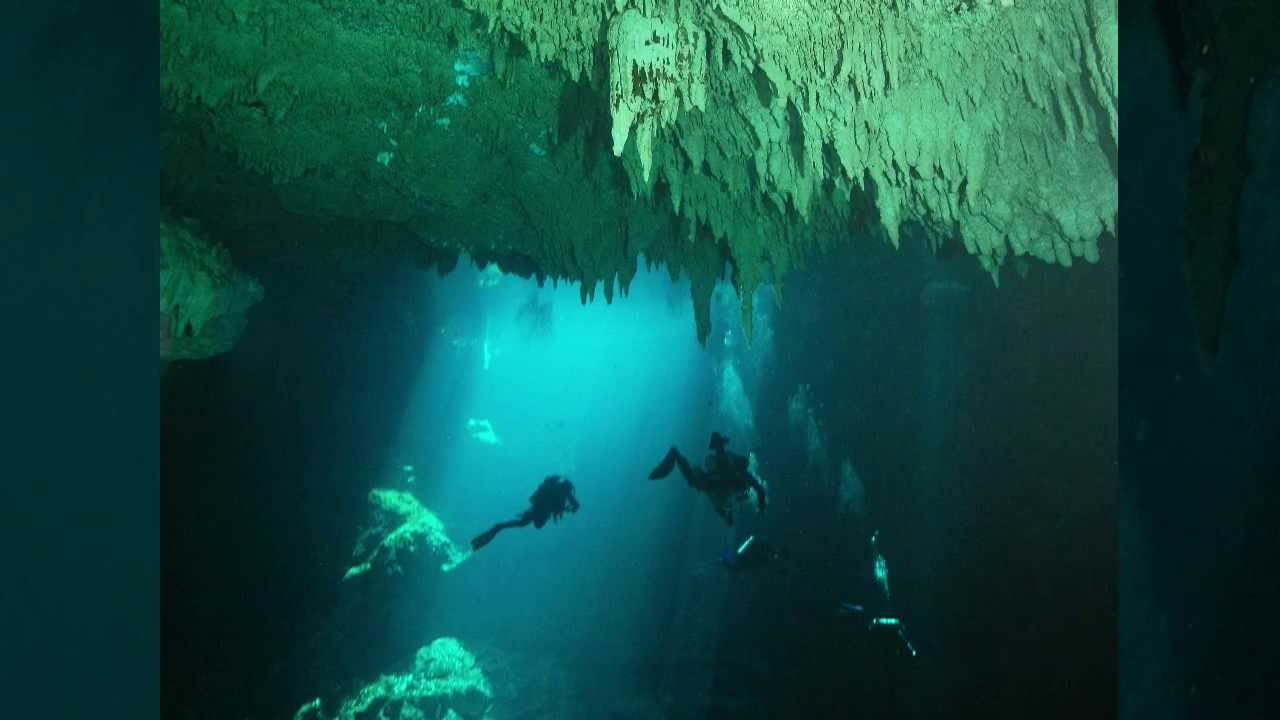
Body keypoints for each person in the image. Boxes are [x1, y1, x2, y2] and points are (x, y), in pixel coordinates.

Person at [647, 432, 767, 526]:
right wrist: (761, 507)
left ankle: (676, 455)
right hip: (715, 480)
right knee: (696, 481)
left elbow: (720, 504)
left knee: (695, 481)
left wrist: (727, 517)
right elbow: (759, 490)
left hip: (714, 480)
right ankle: (676, 454)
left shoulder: (737, 477)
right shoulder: (743, 476)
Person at [470, 475, 580, 551]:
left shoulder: (562, 492)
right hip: (539, 508)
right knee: (524, 523)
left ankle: (497, 528)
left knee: (522, 523)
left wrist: (569, 508)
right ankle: (496, 528)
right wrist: (569, 508)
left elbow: (574, 504)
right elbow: (574, 504)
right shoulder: (563, 492)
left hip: (539, 508)